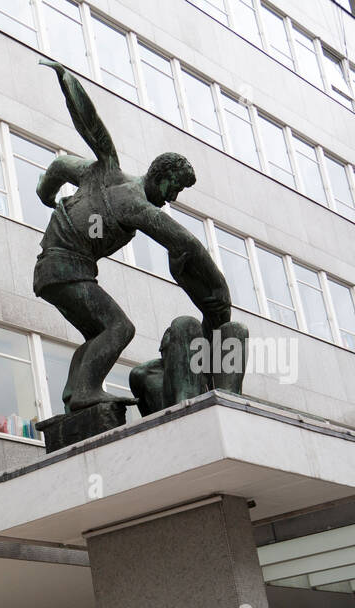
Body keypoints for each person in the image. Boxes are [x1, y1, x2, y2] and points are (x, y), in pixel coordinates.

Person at [33, 60, 233, 412]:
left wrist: (45, 194)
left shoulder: (101, 173)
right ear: (162, 174)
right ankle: (85, 391)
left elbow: (61, 165)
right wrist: (218, 292)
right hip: (66, 269)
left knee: (98, 333)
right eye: (176, 187)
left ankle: (75, 393)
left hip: (54, 271)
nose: (173, 198)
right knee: (119, 329)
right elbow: (184, 241)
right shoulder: (132, 201)